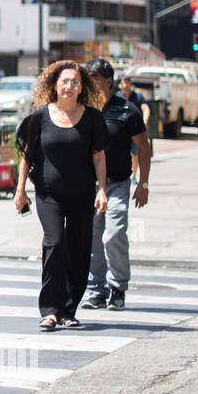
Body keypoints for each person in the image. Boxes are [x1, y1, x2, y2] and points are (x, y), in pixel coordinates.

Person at [14, 61, 109, 331]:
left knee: (79, 250)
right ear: (54, 85)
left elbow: (99, 157)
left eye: (75, 82)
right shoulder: (40, 116)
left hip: (82, 194)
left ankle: (68, 311)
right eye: (64, 81)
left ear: (82, 87)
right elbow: (26, 156)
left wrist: (102, 189)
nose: (69, 86)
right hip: (48, 194)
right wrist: (20, 191)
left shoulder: (92, 118)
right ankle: (49, 310)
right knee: (55, 243)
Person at [82, 59, 151, 311]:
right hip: (89, 185)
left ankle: (118, 287)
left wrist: (143, 182)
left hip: (118, 183)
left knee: (113, 234)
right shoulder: (83, 108)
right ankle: (96, 289)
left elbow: (144, 147)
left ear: (108, 81)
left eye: (93, 77)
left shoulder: (127, 110)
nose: (88, 82)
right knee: (91, 238)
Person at [119, 75, 152, 181]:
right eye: (122, 84)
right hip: (121, 130)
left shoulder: (138, 97)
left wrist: (144, 122)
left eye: (126, 84)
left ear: (130, 84)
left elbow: (145, 109)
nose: (124, 86)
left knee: (135, 153)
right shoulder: (117, 97)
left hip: (134, 130)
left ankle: (133, 174)